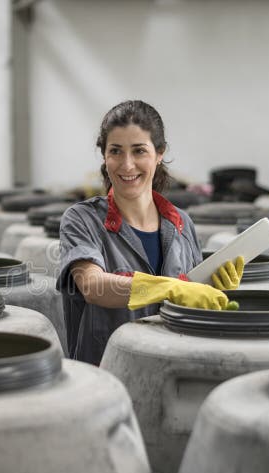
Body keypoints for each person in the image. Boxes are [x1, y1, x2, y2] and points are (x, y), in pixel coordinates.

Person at [57, 100, 244, 365]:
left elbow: (186, 299)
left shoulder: (181, 224)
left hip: (176, 370)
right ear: (104, 156)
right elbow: (93, 285)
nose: (127, 165)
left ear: (159, 154)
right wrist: (169, 288)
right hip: (107, 378)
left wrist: (212, 286)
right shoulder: (82, 219)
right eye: (116, 151)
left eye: (139, 151)